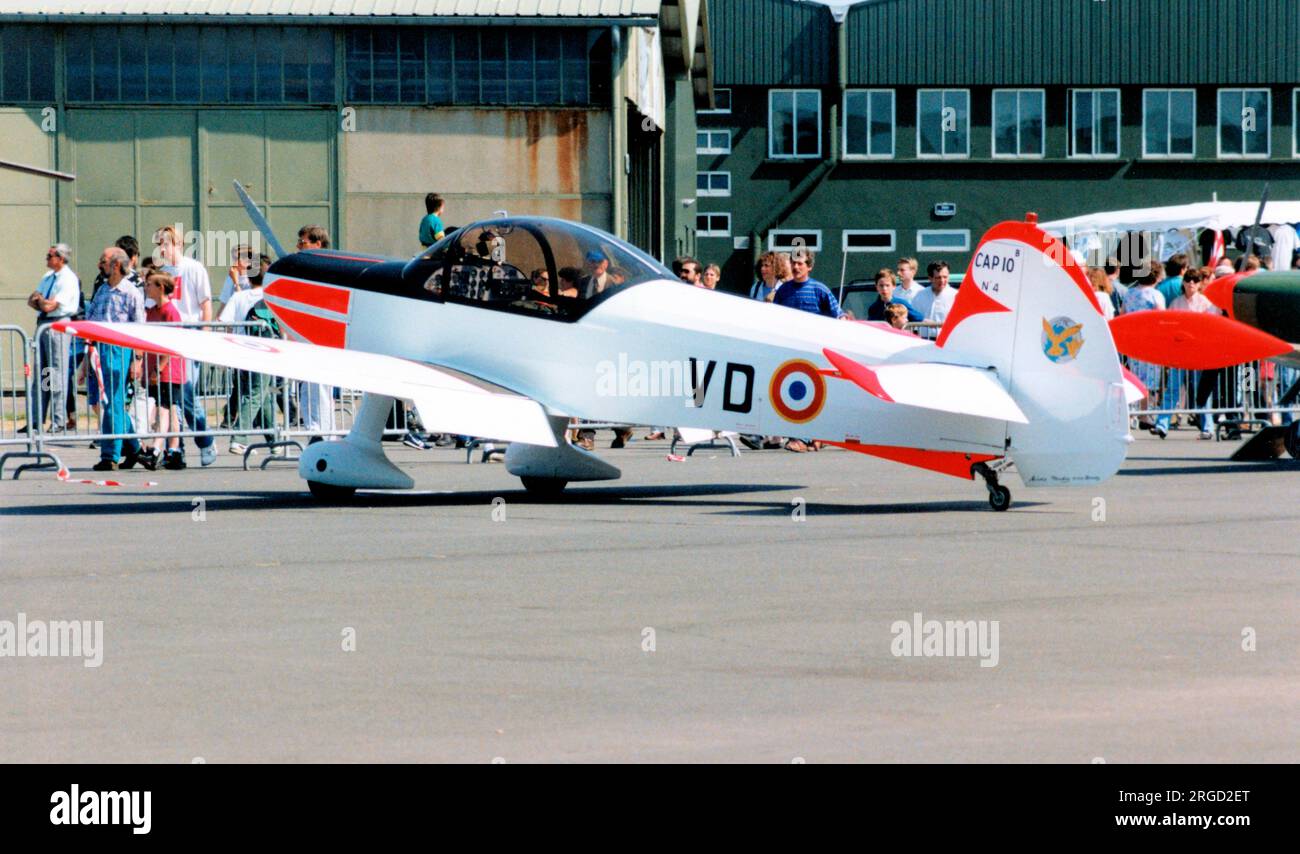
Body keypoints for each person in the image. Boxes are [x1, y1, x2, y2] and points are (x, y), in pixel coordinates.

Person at [153, 225, 217, 467]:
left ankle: (205, 440)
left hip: (189, 333)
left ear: (178, 244)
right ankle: (176, 449)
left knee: (186, 395)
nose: (161, 248)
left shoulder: (193, 268)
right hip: (167, 333)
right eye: (159, 243)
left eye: (166, 243)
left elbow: (205, 303)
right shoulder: (162, 272)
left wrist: (205, 333)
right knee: (170, 396)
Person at [85, 247, 147, 471]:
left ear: (117, 265)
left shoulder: (131, 293)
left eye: (104, 261)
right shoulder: (102, 290)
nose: (100, 265)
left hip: (120, 349)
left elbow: (140, 330)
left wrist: (137, 360)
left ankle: (110, 455)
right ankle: (136, 448)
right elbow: (90, 320)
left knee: (113, 403)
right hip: (100, 350)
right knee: (113, 402)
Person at [26, 244, 81, 434]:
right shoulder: (47, 277)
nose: (47, 258)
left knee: (57, 372)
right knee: (43, 372)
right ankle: (36, 419)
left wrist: (42, 301)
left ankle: (58, 419)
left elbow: (51, 306)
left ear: (61, 258)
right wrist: (43, 301)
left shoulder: (68, 279)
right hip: (43, 324)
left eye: (50, 255)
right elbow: (32, 300)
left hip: (57, 324)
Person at [293, 227, 338, 442]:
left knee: (319, 388)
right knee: (307, 389)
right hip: (307, 335)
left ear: (317, 244)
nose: (299, 246)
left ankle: (322, 433)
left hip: (320, 337)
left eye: (303, 243)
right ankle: (316, 431)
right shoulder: (308, 269)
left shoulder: (326, 269)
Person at [140, 272, 186, 470]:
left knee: (163, 409)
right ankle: (174, 451)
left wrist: (159, 367)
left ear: (160, 287)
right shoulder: (152, 312)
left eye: (150, 284)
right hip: (155, 367)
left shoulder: (170, 312)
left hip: (168, 370)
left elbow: (174, 342)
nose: (146, 287)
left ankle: (157, 448)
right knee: (171, 409)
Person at [1123, 266, 1169, 436]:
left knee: (1135, 377)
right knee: (1148, 379)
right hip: (1150, 339)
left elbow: (1123, 313)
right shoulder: (1155, 295)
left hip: (1132, 339)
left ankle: (1134, 414)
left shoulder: (1129, 293)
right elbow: (1161, 317)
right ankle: (1144, 414)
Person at [773, 251, 843, 318]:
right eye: (793, 263)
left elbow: (838, 315)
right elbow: (774, 315)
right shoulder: (783, 290)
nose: (795, 267)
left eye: (799, 263)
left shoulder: (820, 290)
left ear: (809, 267)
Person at [910, 260, 956, 338]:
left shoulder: (955, 296)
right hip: (923, 340)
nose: (942, 281)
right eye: (938, 277)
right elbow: (912, 317)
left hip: (946, 342)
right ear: (930, 278)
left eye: (945, 277)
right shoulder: (920, 295)